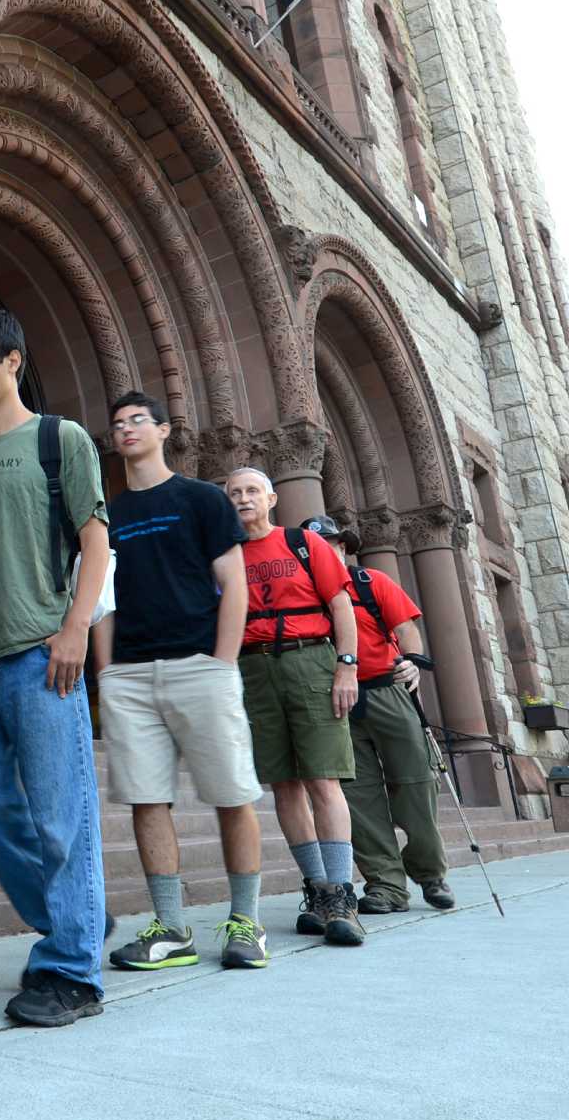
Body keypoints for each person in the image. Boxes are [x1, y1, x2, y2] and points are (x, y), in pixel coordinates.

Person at [0, 309, 111, 1028]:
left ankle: (71, 970)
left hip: (43, 657)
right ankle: (80, 922)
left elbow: (95, 540)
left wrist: (74, 630)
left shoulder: (56, 439)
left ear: (11, 361)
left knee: (60, 819)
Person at [93, 394, 270, 970]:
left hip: (201, 666)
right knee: (147, 799)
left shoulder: (201, 499)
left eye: (137, 420)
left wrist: (222, 662)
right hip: (131, 674)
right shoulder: (108, 514)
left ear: (164, 430)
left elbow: (233, 584)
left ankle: (246, 922)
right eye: (117, 424)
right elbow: (103, 598)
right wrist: (106, 672)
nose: (126, 430)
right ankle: (171, 929)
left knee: (232, 793)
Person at [221, 471, 365, 946]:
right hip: (254, 669)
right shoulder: (226, 555)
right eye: (235, 493)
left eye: (251, 491)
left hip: (311, 661)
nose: (243, 499)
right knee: (283, 783)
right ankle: (318, 889)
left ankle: (343, 895)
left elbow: (341, 606)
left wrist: (346, 667)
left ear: (271, 498)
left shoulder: (304, 543)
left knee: (322, 778)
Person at [309, 519, 454, 914]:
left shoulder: (371, 582)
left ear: (343, 548)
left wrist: (410, 663)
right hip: (333, 699)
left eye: (332, 545)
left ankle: (429, 873)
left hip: (385, 689)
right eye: (316, 547)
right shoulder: (305, 593)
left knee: (416, 782)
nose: (326, 552)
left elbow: (405, 629)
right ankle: (385, 885)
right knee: (358, 797)